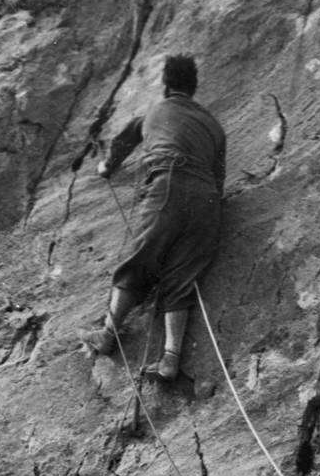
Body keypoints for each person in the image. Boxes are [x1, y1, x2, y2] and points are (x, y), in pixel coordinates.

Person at [82, 54, 226, 380]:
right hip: (207, 202)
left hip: (168, 184)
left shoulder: (155, 111)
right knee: (182, 278)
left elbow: (120, 146)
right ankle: (170, 360)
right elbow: (220, 179)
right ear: (194, 86)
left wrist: (106, 167)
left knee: (140, 261)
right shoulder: (214, 127)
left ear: (165, 85)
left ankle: (108, 334)